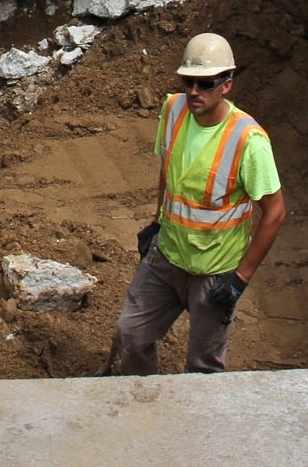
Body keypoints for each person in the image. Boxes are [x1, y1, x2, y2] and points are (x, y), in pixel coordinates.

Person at [112, 34, 287, 375]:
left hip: (214, 271)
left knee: (203, 367)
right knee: (130, 335)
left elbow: (275, 213)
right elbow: (169, 167)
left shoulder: (248, 141)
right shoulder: (174, 109)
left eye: (205, 84)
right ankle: (145, 407)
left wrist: (240, 278)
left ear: (227, 85)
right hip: (168, 256)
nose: (194, 92)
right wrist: (158, 222)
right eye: (188, 82)